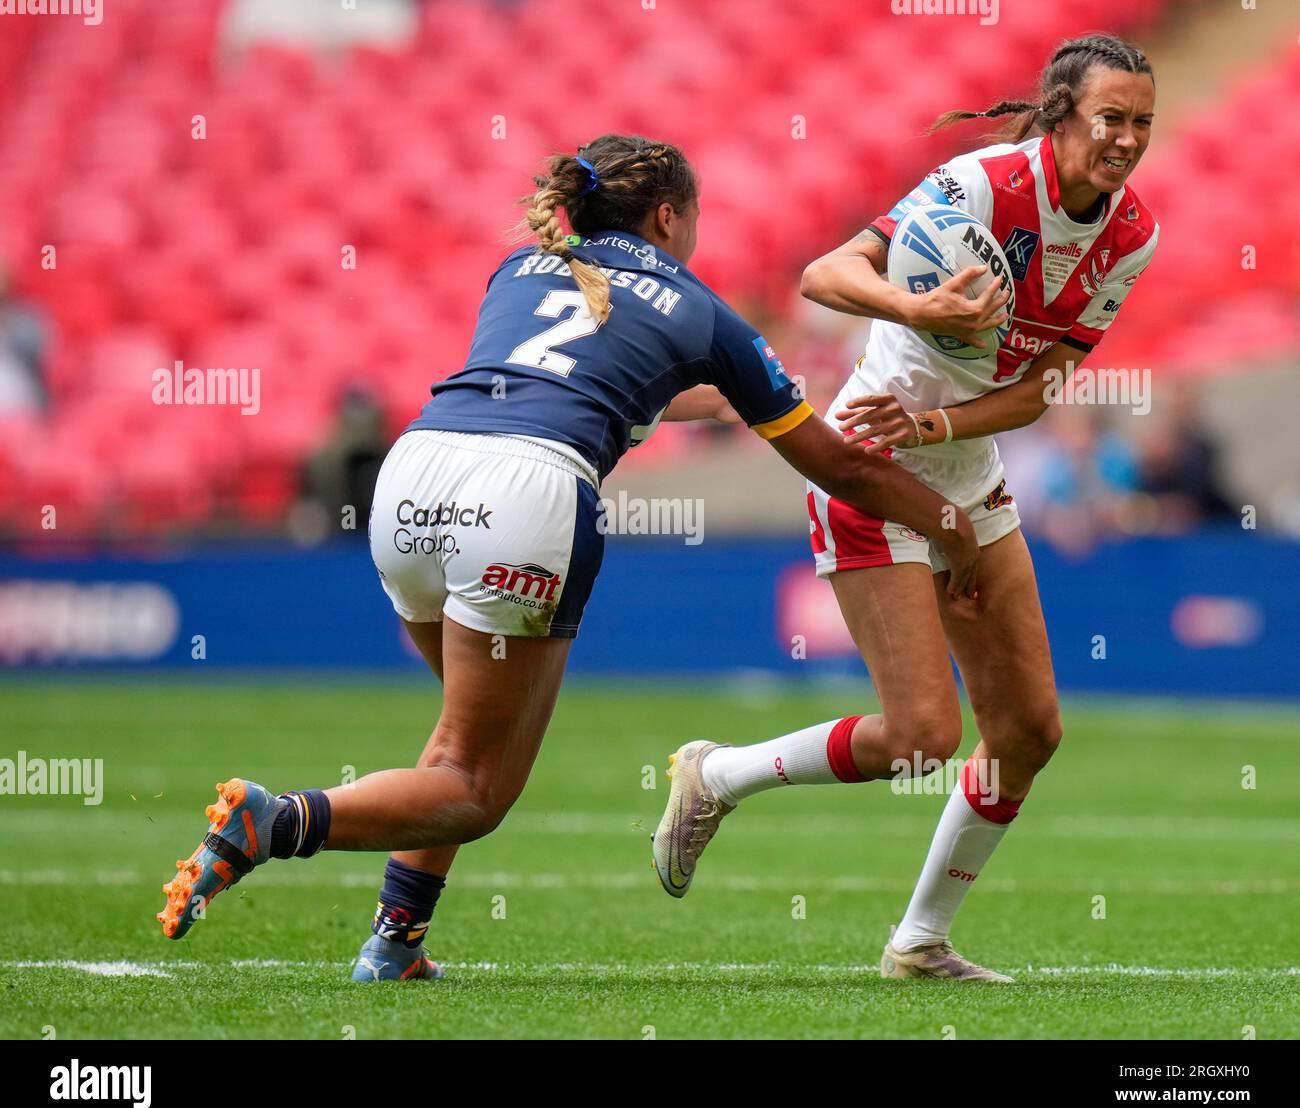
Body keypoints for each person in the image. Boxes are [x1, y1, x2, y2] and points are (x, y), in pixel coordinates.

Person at [156, 133, 980, 980]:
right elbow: (836, 463)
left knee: (455, 748)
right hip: (527, 496)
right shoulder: (697, 306)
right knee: (477, 786)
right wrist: (948, 521)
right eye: (693, 216)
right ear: (668, 214)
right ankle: (278, 820)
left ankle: (394, 944)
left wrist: (748, 400)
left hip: (415, 474)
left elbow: (596, 375)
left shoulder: (521, 266)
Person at [653, 34, 1160, 983]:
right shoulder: (978, 185)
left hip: (959, 460)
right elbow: (822, 276)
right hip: (870, 466)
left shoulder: (1133, 235)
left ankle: (920, 942)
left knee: (1028, 731)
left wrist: (935, 422)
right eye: (1110, 118)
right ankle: (714, 775)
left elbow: (1038, 391)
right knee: (921, 734)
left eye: (1141, 122)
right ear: (1061, 113)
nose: (1127, 139)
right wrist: (914, 309)